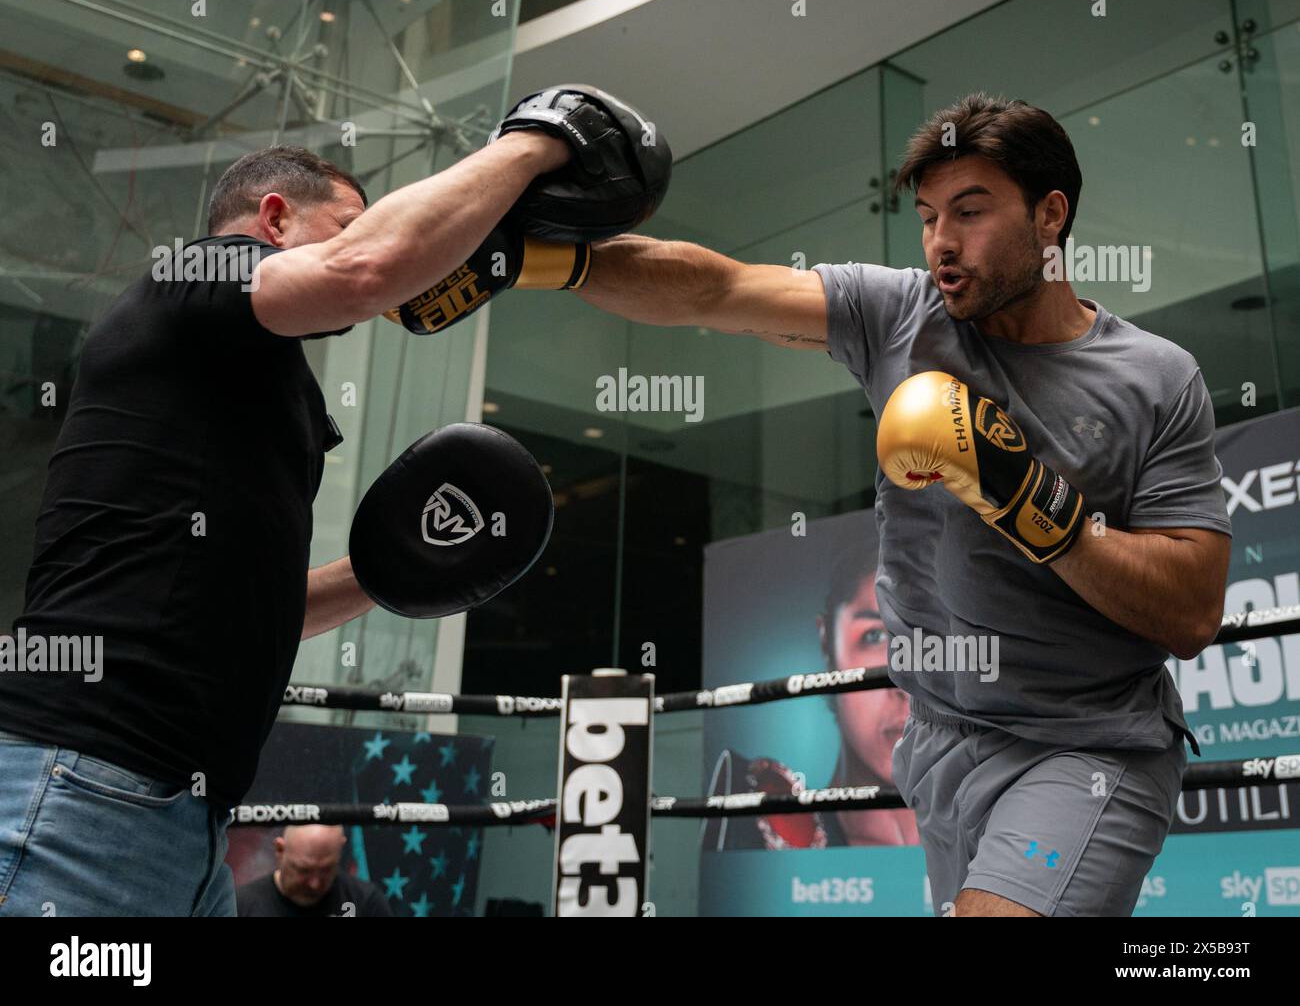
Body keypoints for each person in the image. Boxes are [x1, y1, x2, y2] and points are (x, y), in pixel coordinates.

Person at [572, 93, 1232, 916]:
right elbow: (715, 288)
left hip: (1087, 745)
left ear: (1051, 214)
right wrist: (533, 260)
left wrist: (1033, 504)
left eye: (970, 210)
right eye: (926, 217)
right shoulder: (899, 316)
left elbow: (1193, 610)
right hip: (942, 745)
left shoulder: (1157, 379)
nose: (941, 243)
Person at [0, 121, 575, 916]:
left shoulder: (252, 388)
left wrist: (398, 566)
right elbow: (365, 269)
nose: (366, 246)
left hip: (181, 816)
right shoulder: (195, 274)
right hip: (88, 785)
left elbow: (260, 612)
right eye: (346, 223)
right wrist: (537, 144)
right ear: (273, 221)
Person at [704, 551, 918, 849]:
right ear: (826, 641)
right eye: (874, 636)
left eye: (930, 641)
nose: (903, 684)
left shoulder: (989, 834)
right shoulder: (764, 814)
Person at [236, 825, 390, 918]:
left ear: (340, 849)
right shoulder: (241, 906)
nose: (314, 884)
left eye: (326, 870)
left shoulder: (365, 901)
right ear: (280, 850)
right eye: (303, 870)